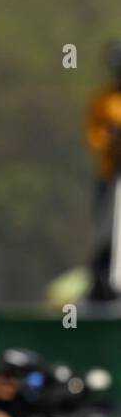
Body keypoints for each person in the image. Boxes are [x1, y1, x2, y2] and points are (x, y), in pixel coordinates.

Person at [84, 40, 121, 301]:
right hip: (111, 175)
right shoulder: (103, 101)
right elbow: (94, 136)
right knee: (106, 231)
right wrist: (111, 139)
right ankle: (103, 284)